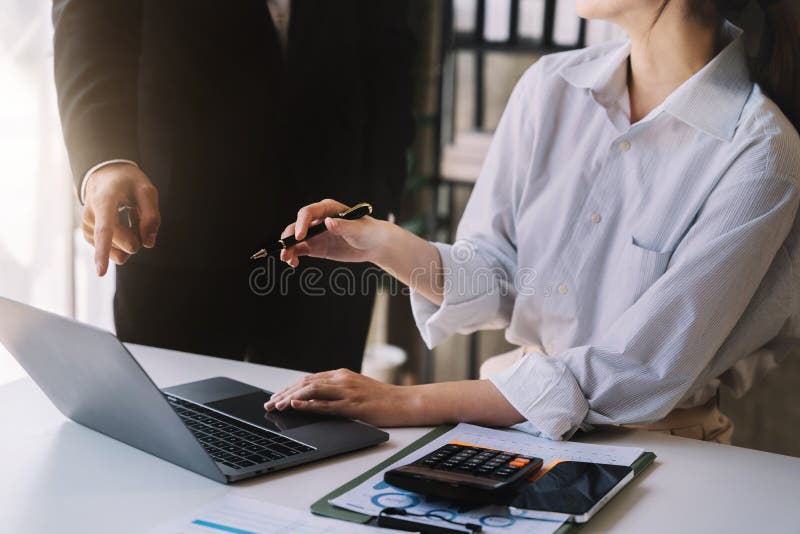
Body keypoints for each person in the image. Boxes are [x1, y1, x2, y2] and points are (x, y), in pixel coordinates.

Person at [264, 0, 800, 443]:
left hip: (659, 449)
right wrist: (383, 244)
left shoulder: (761, 153)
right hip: (514, 427)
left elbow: (631, 372)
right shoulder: (551, 86)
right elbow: (500, 274)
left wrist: (402, 400)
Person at [52, 1, 413, 372]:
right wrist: (105, 159)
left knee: (318, 424)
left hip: (333, 221)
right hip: (177, 220)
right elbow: (91, 22)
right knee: (175, 417)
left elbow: (391, 44)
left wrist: (381, 189)